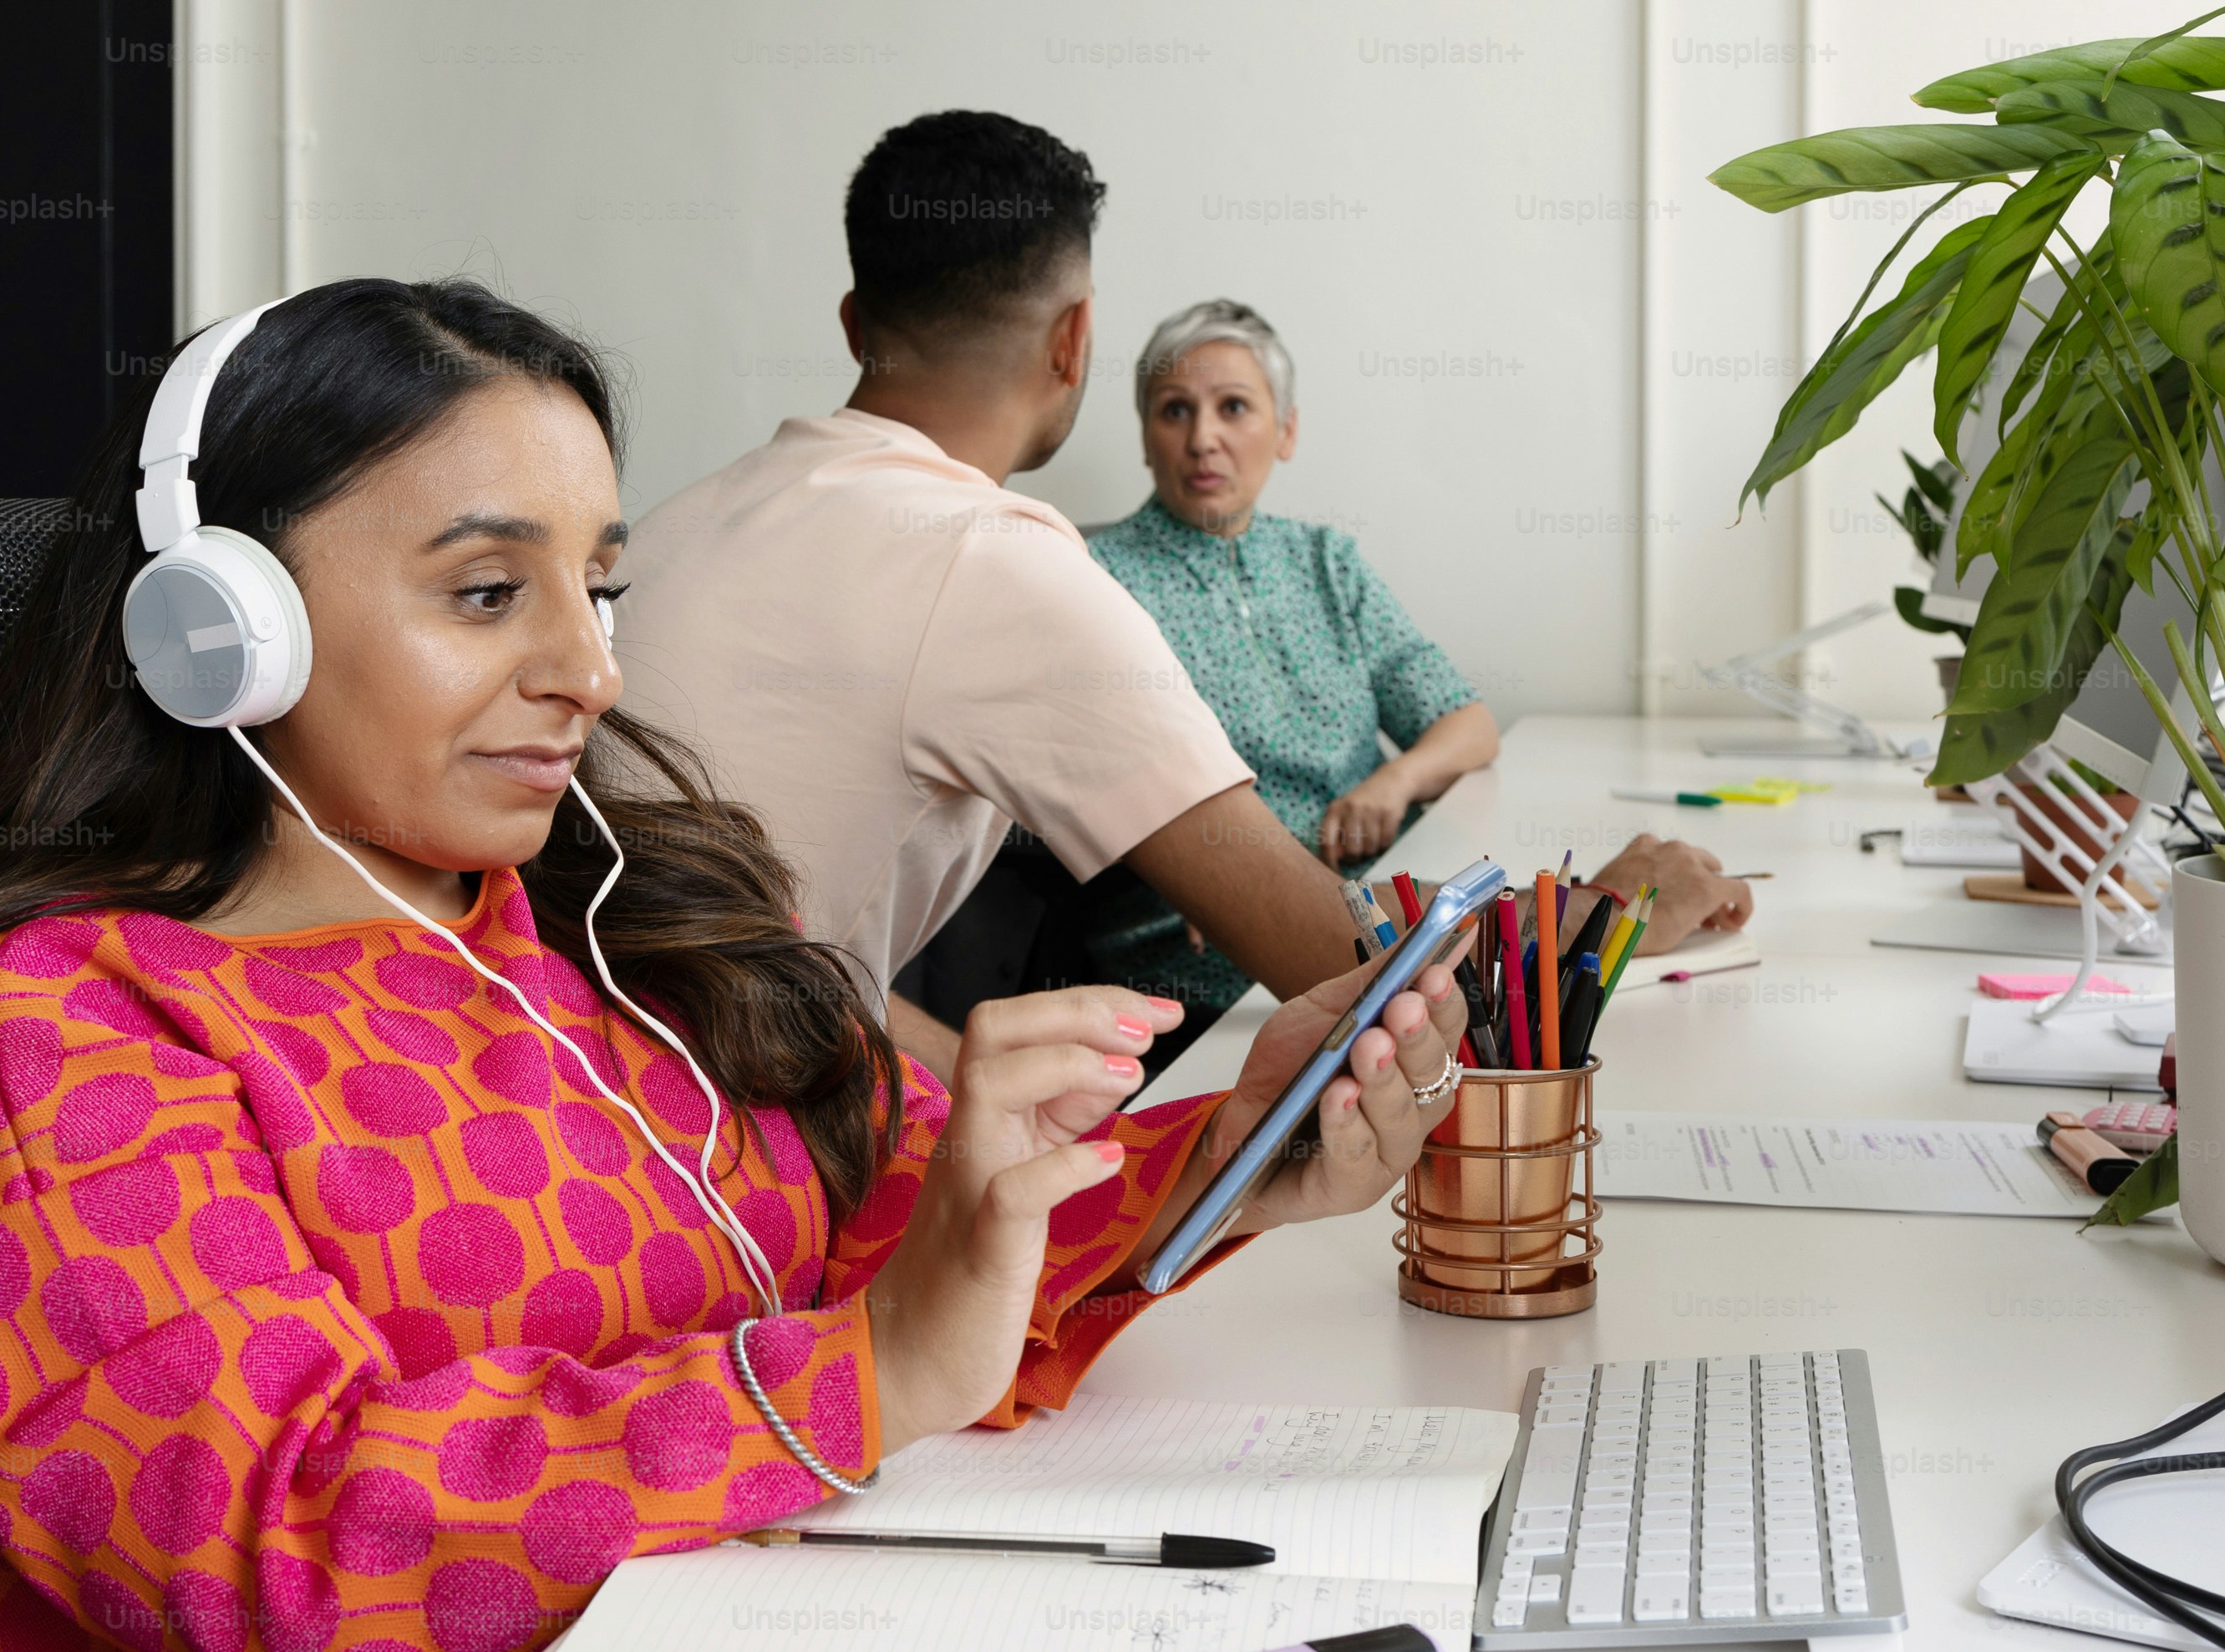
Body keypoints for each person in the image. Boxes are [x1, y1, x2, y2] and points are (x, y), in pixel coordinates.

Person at [0, 277, 1471, 1652]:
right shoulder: (58, 1040)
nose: (589, 667)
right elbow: (292, 1551)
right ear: (224, 623)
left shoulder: (595, 928)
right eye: (489, 592)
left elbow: (881, 1236)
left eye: (599, 588)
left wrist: (1226, 1153)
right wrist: (861, 1376)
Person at [619, 111, 1739, 1077]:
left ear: (855, 327)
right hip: (726, 1170)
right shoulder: (1009, 567)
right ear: (1076, 343)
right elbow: (1359, 983)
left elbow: (735, 952)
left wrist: (958, 1076)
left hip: (584, 1096)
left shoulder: (677, 523)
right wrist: (1598, 909)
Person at [1074, 299, 1748, 1018]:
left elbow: (1467, 722)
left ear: (1287, 431)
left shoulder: (1324, 561)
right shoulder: (1094, 576)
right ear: (1146, 437)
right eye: (1174, 411)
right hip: (1215, 954)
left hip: (1385, 900)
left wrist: (1395, 782)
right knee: (1545, 1002)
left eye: (1234, 407)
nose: (1204, 438)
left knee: (1582, 1015)